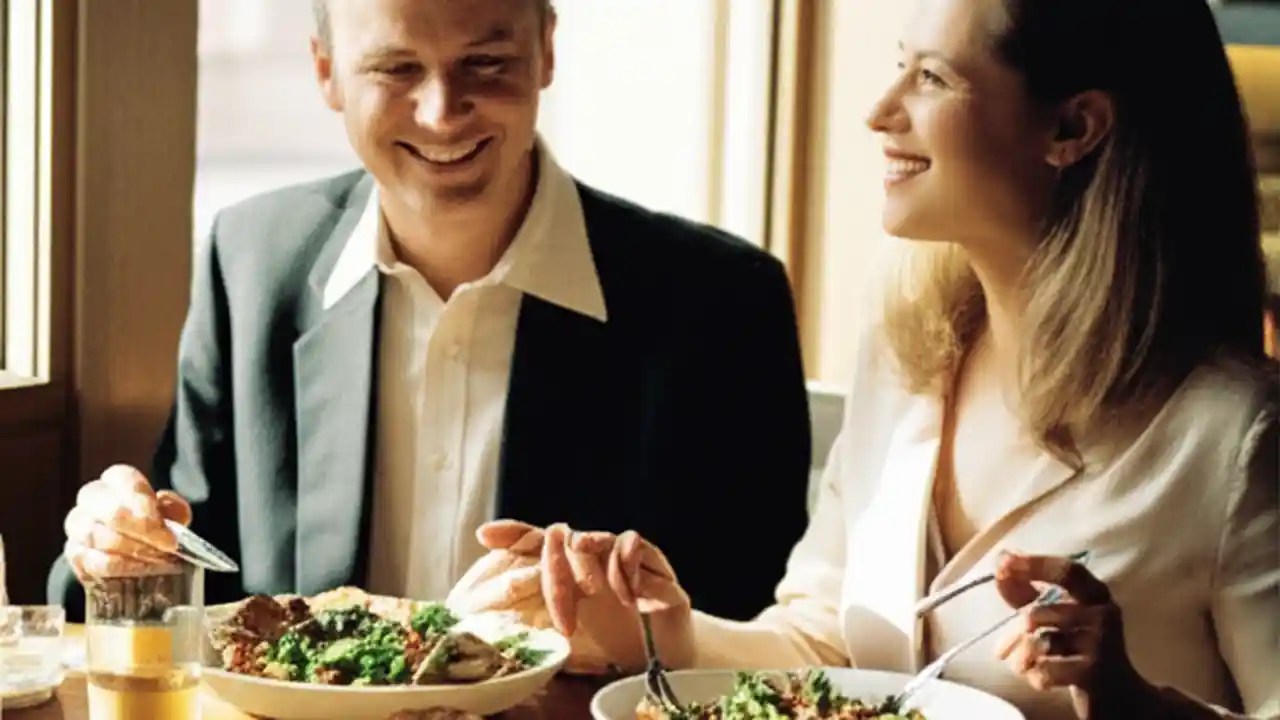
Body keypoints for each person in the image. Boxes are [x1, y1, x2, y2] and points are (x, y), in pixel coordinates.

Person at [449, 0, 1280, 717]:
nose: (880, 111)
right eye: (898, 66)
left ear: (1072, 127)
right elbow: (828, 645)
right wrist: (649, 629)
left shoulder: (1236, 437)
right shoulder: (911, 351)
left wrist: (1138, 707)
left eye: (933, 78)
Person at [46, 0, 812, 626]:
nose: (443, 112)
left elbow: (752, 640)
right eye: (396, 68)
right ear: (327, 73)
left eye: (487, 63)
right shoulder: (250, 264)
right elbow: (187, 573)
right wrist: (118, 552)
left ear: (547, 50)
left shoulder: (723, 306)